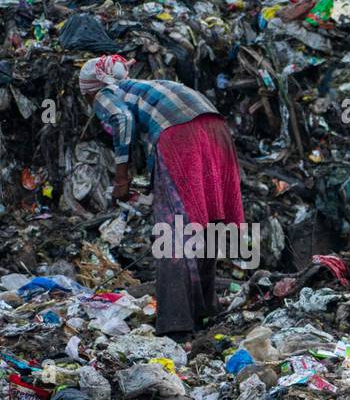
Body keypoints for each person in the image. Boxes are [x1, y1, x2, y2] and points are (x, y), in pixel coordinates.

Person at [81, 55, 246, 339]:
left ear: (92, 89)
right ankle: (205, 310)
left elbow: (122, 119)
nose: (89, 104)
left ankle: (176, 323)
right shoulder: (144, 86)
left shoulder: (106, 92)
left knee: (173, 233)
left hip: (182, 136)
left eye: (86, 97)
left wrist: (121, 178)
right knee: (207, 222)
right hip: (216, 129)